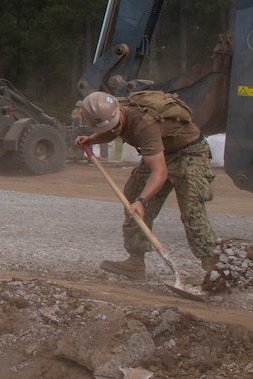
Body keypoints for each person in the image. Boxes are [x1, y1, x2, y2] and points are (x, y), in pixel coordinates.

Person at [76, 90, 217, 280]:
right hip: (160, 151)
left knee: (191, 209)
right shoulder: (111, 113)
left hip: (189, 152)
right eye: (105, 129)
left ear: (118, 112)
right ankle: (135, 262)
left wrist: (143, 201)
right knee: (131, 200)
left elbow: (160, 172)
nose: (112, 132)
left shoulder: (144, 125)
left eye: (114, 126)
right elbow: (111, 131)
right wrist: (92, 139)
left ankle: (214, 270)